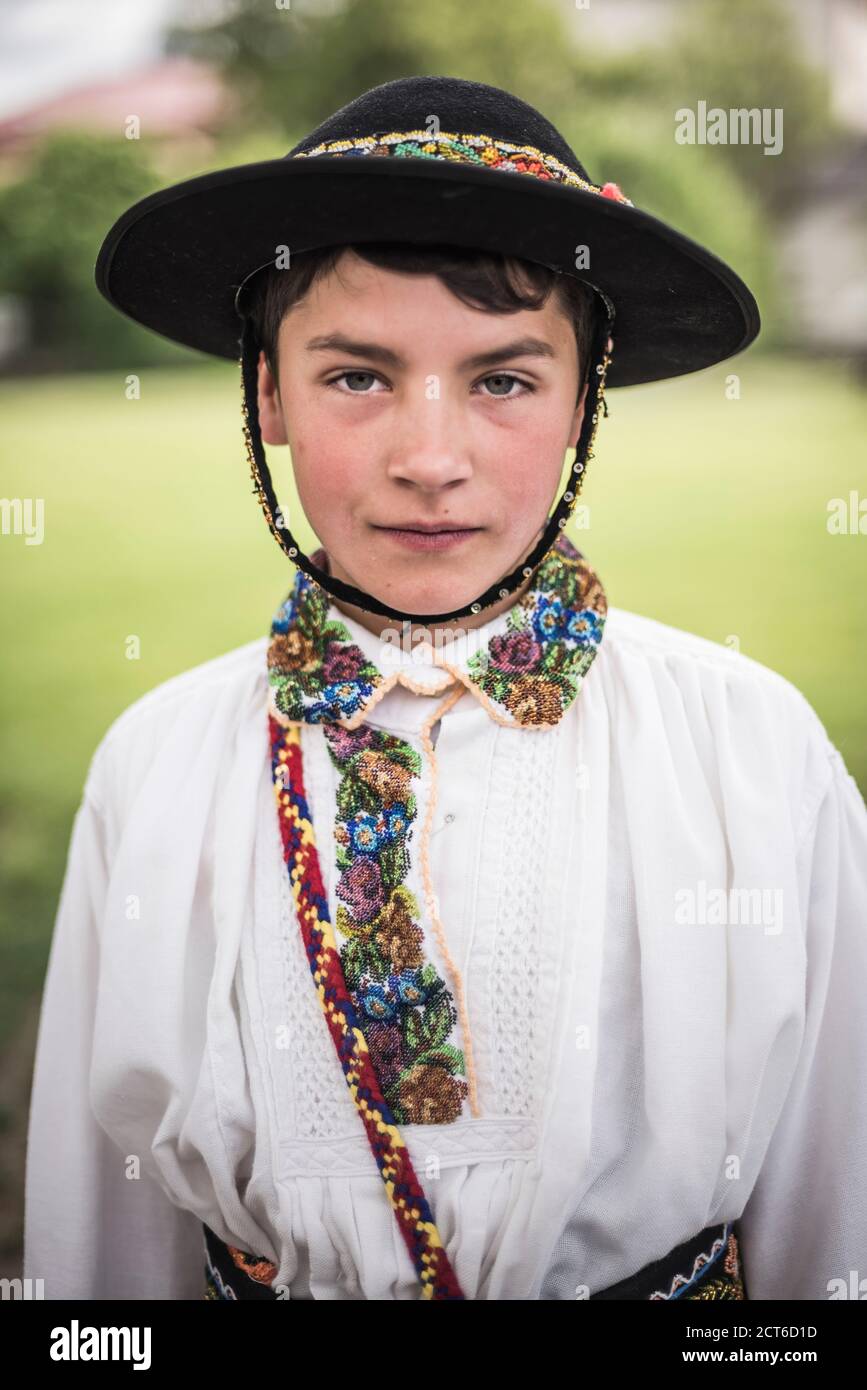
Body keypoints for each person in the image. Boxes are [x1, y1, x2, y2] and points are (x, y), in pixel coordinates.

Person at [24, 75, 867, 1301]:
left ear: (585, 399)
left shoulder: (750, 751)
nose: (430, 460)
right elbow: (101, 1249)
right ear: (267, 390)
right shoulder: (156, 765)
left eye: (505, 380)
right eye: (357, 377)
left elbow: (835, 1214)